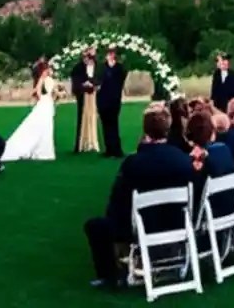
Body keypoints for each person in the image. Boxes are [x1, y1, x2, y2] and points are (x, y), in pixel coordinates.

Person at [83, 105, 193, 289]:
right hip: (178, 221)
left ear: (145, 130)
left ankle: (111, 276)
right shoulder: (182, 158)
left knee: (95, 226)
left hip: (142, 227)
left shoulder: (134, 163)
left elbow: (117, 201)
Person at [2, 59, 57, 162]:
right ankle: (42, 151)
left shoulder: (46, 79)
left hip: (47, 102)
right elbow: (38, 90)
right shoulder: (44, 79)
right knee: (44, 125)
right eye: (46, 69)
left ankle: (42, 149)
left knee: (46, 126)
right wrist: (44, 99)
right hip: (45, 102)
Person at [96, 49, 128, 158]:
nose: (108, 56)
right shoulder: (102, 67)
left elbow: (122, 77)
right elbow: (97, 80)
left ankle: (116, 149)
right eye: (107, 54)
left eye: (110, 54)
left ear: (114, 55)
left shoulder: (119, 68)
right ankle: (108, 149)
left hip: (114, 99)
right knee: (105, 125)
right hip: (103, 99)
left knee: (114, 124)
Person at [72, 48, 100, 153]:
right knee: (82, 118)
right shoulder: (78, 68)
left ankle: (93, 141)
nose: (88, 59)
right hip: (82, 96)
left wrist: (95, 85)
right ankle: (81, 143)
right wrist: (83, 85)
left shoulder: (97, 67)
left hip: (94, 96)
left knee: (93, 117)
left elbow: (99, 78)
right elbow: (76, 80)